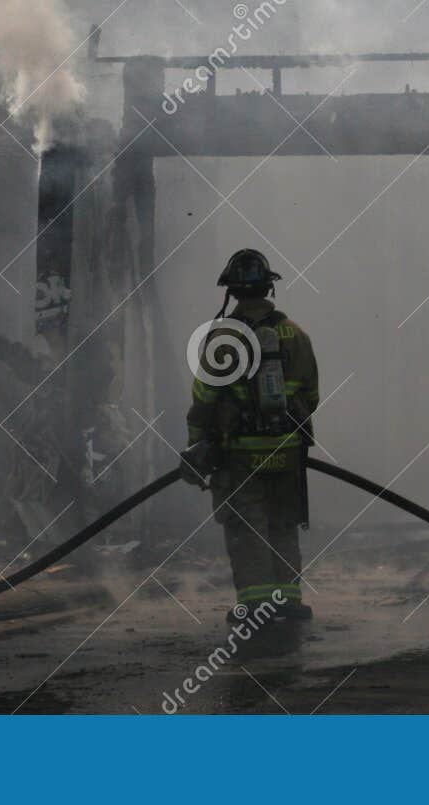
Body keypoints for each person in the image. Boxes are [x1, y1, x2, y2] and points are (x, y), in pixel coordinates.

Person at [181, 249, 319, 621]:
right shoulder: (296, 334)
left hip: (240, 455)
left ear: (232, 292)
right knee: (283, 524)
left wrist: (197, 445)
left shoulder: (224, 337)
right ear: (268, 288)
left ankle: (258, 605)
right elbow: (311, 396)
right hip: (287, 452)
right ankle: (288, 601)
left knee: (247, 527)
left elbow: (205, 398)